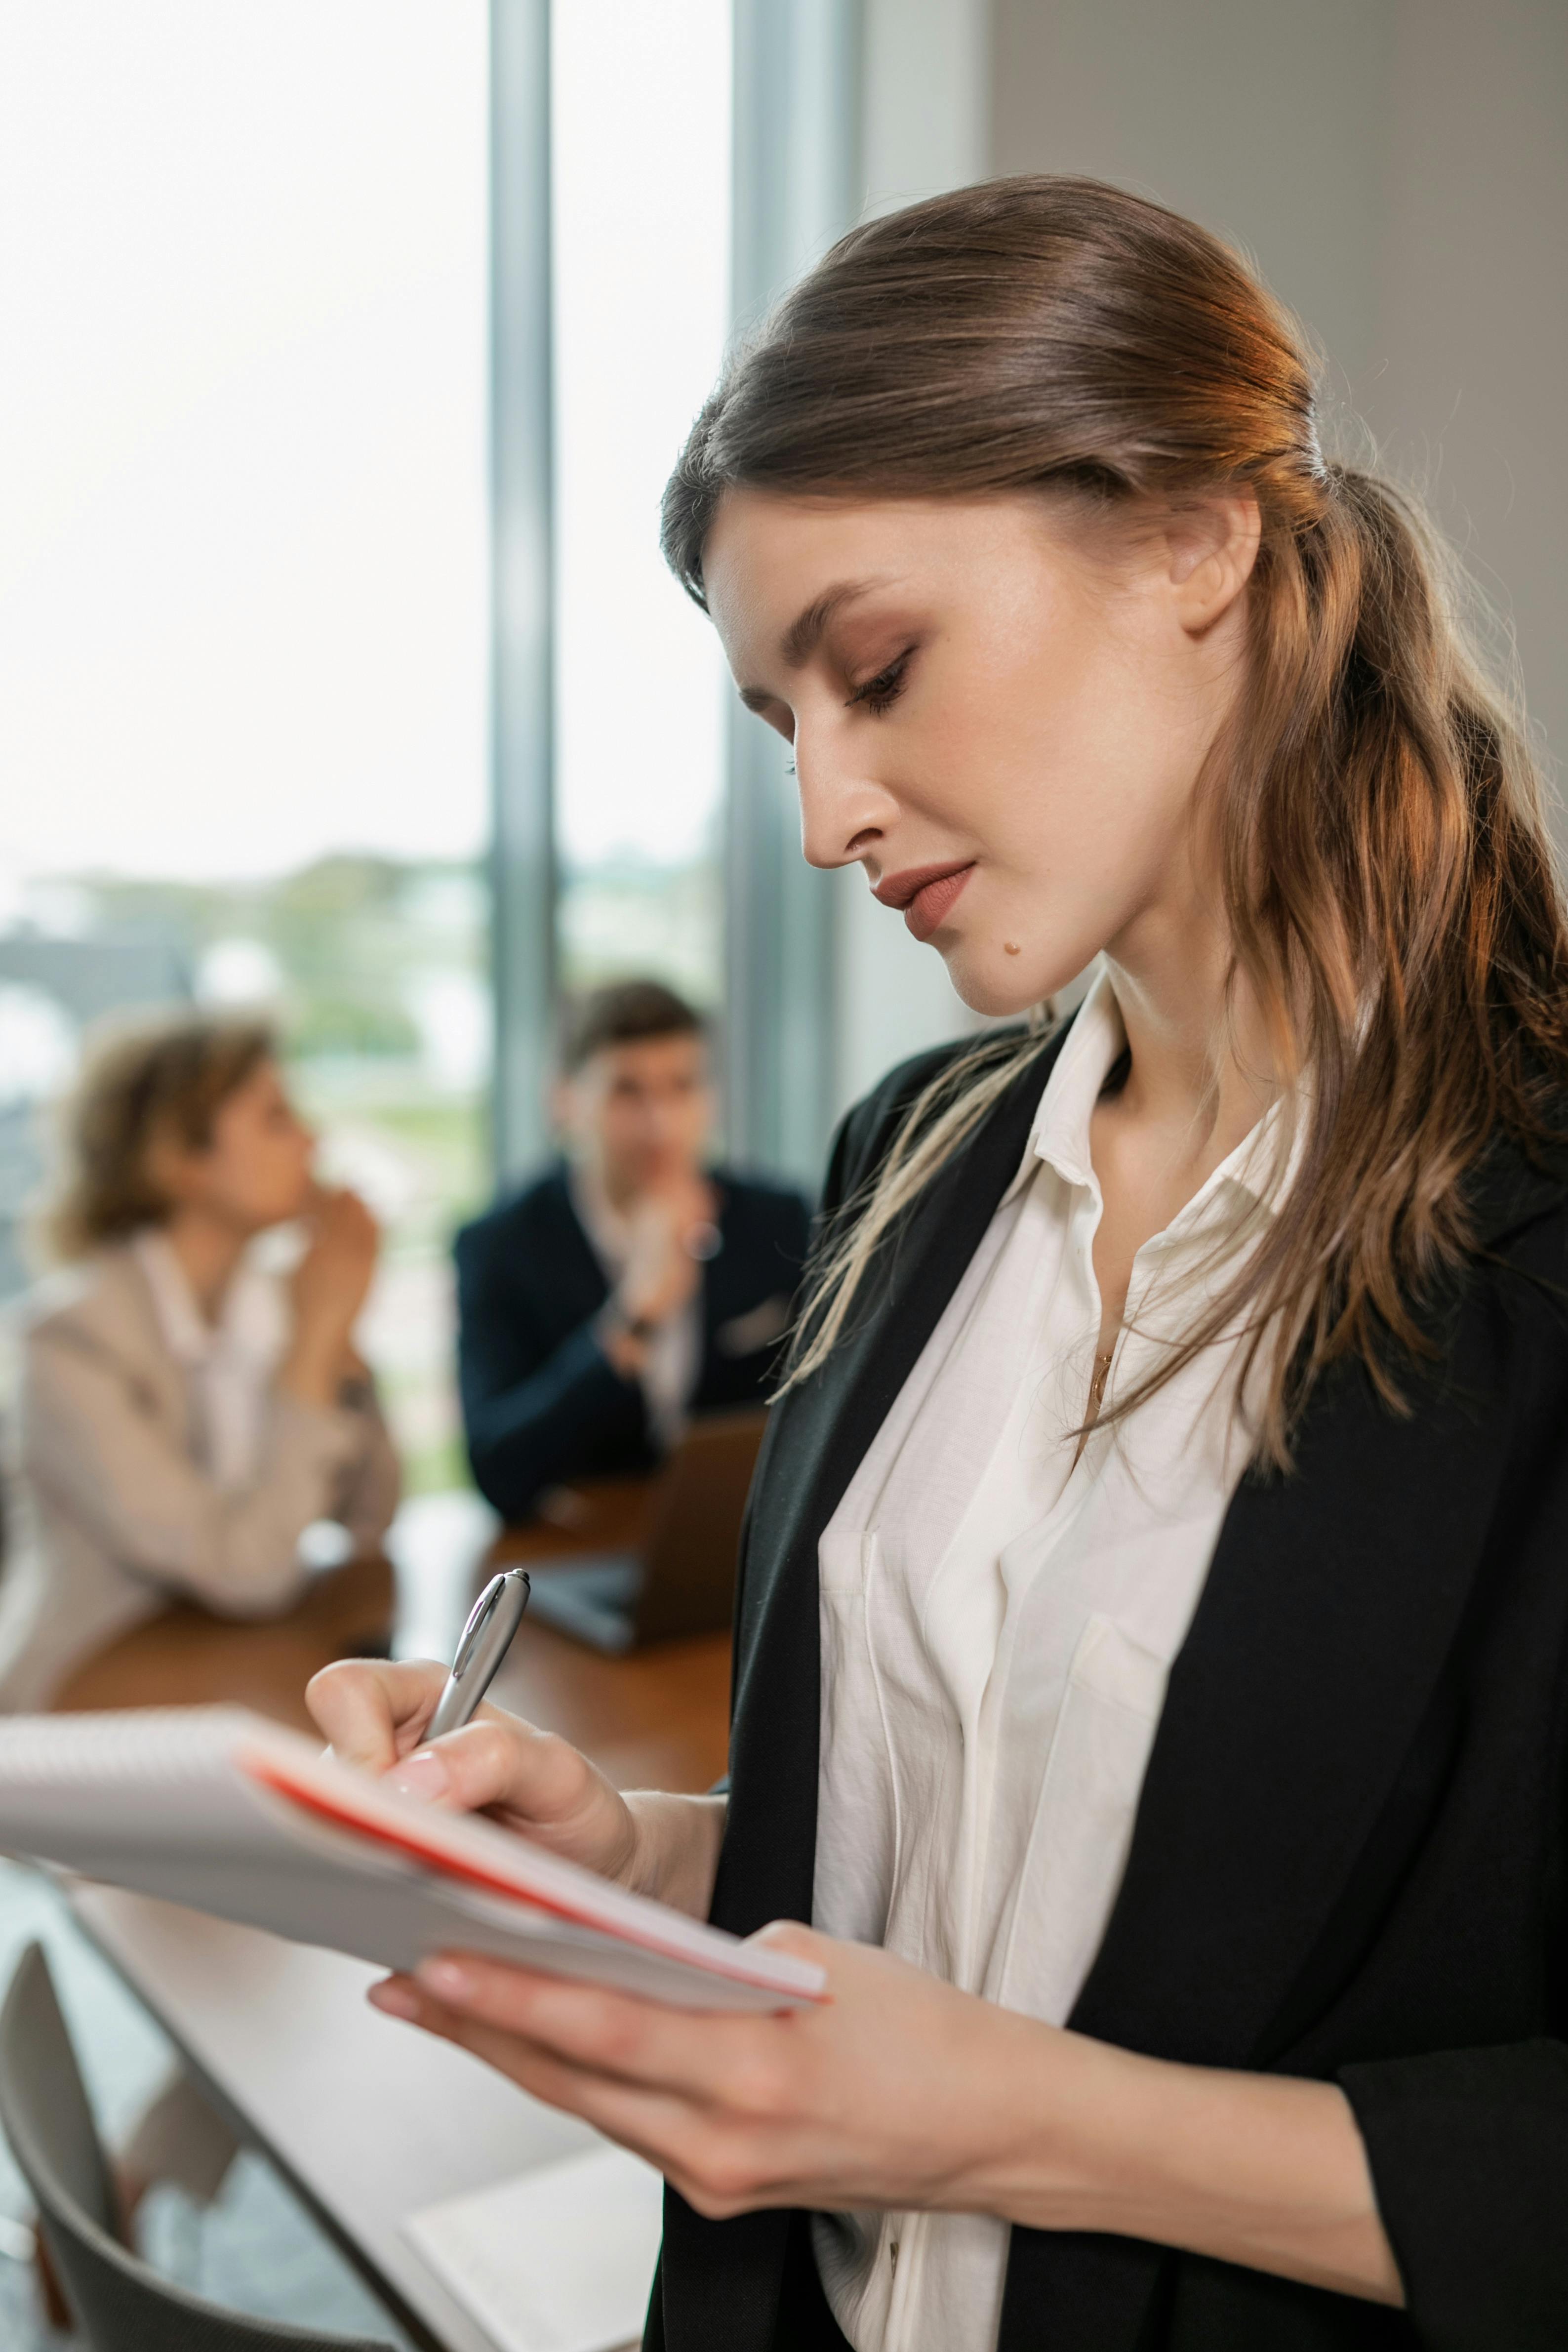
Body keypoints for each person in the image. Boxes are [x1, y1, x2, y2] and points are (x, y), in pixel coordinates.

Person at [308, 176, 1568, 2352]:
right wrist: (623, 1855)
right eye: (779, 724)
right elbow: (953, 1860)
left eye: (875, 670)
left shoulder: (1538, 1235)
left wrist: (1006, 2125)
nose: (825, 815)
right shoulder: (916, 1161)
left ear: (1194, 537)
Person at [0, 1012, 400, 1711]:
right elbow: (249, 1575)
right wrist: (313, 1345)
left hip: (227, 1665)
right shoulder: (67, 1345)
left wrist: (335, 1336)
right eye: (276, 1116)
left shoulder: (279, 1300)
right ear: (180, 1159)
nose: (313, 1139)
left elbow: (373, 1509)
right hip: (81, 1703)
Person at [453, 979, 810, 1521]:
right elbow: (497, 1470)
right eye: (627, 1091)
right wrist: (634, 1316)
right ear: (566, 1100)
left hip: (743, 1540)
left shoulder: (777, 1221)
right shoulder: (501, 1245)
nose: (659, 1124)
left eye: (681, 1086)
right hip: (579, 1552)